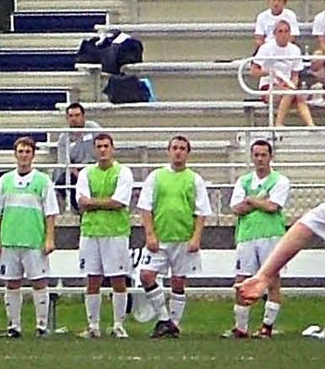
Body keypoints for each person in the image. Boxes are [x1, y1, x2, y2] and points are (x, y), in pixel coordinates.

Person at [135, 134, 212, 338]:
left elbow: (201, 212)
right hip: (160, 239)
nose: (178, 151)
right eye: (175, 148)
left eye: (182, 148)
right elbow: (145, 208)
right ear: (169, 151)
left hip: (183, 239)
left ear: (188, 153)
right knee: (146, 275)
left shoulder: (194, 179)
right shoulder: (156, 177)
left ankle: (174, 325)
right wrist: (150, 235)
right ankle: (164, 318)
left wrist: (196, 238)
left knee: (178, 282)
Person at [0, 135, 59, 337]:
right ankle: (13, 326)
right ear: (15, 154)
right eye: (20, 151)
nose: (24, 155)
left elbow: (50, 212)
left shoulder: (42, 181)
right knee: (12, 282)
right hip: (9, 240)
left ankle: (42, 325)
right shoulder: (5, 180)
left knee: (39, 282)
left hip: (34, 240)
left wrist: (49, 238)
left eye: (28, 151)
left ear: (33, 155)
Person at [74, 131, 136, 341]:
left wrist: (94, 202)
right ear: (94, 150)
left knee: (118, 279)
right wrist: (105, 202)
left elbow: (119, 201)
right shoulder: (86, 173)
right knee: (92, 279)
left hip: (115, 232)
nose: (102, 150)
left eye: (105, 146)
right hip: (91, 232)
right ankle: (93, 325)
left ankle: (118, 324)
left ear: (113, 148)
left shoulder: (123, 172)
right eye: (98, 146)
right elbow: (81, 201)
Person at [227, 138, 292, 340]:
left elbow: (274, 206)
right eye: (256, 155)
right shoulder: (243, 181)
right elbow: (236, 208)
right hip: (246, 236)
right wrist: (260, 202)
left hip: (271, 235)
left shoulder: (280, 180)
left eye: (264, 155)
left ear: (271, 157)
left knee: (272, 280)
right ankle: (241, 327)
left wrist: (251, 200)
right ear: (252, 157)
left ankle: (267, 327)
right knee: (241, 280)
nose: (260, 159)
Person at [234, 194, 325, 312]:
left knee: (275, 285)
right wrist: (264, 276)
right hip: (249, 237)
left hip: (269, 235)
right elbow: (304, 227)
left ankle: (267, 325)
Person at [253, 17, 314, 129]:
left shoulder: (295, 49)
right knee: (289, 93)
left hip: (287, 85)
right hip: (269, 86)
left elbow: (295, 74)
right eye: (280, 31)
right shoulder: (266, 48)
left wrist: (292, 84)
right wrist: (269, 72)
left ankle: (311, 125)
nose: (283, 34)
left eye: (286, 31)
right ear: (274, 34)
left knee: (299, 97)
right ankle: (278, 123)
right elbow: (254, 70)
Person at [54, 102, 99, 209]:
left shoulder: (93, 129)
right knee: (61, 182)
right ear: (67, 118)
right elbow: (65, 162)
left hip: (94, 166)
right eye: (71, 116)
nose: (74, 119)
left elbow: (103, 146)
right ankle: (78, 209)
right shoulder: (63, 138)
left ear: (83, 116)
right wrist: (79, 175)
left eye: (77, 115)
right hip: (75, 170)